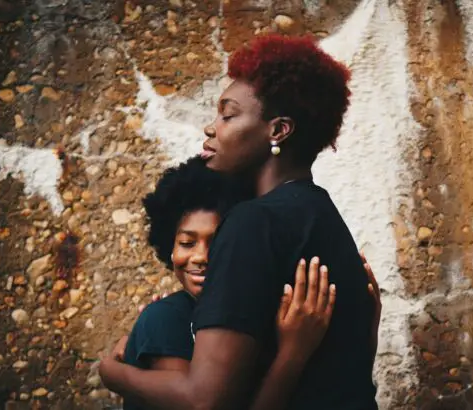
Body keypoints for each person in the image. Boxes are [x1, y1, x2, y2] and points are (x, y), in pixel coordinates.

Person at [99, 33, 380, 410]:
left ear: (278, 130)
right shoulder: (321, 215)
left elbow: (205, 401)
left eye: (228, 115)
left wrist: (112, 372)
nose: (211, 128)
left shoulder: (254, 222)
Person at [117, 156, 339, 410]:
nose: (200, 257)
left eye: (218, 243)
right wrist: (292, 354)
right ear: (169, 247)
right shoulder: (166, 318)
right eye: (187, 243)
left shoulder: (249, 315)